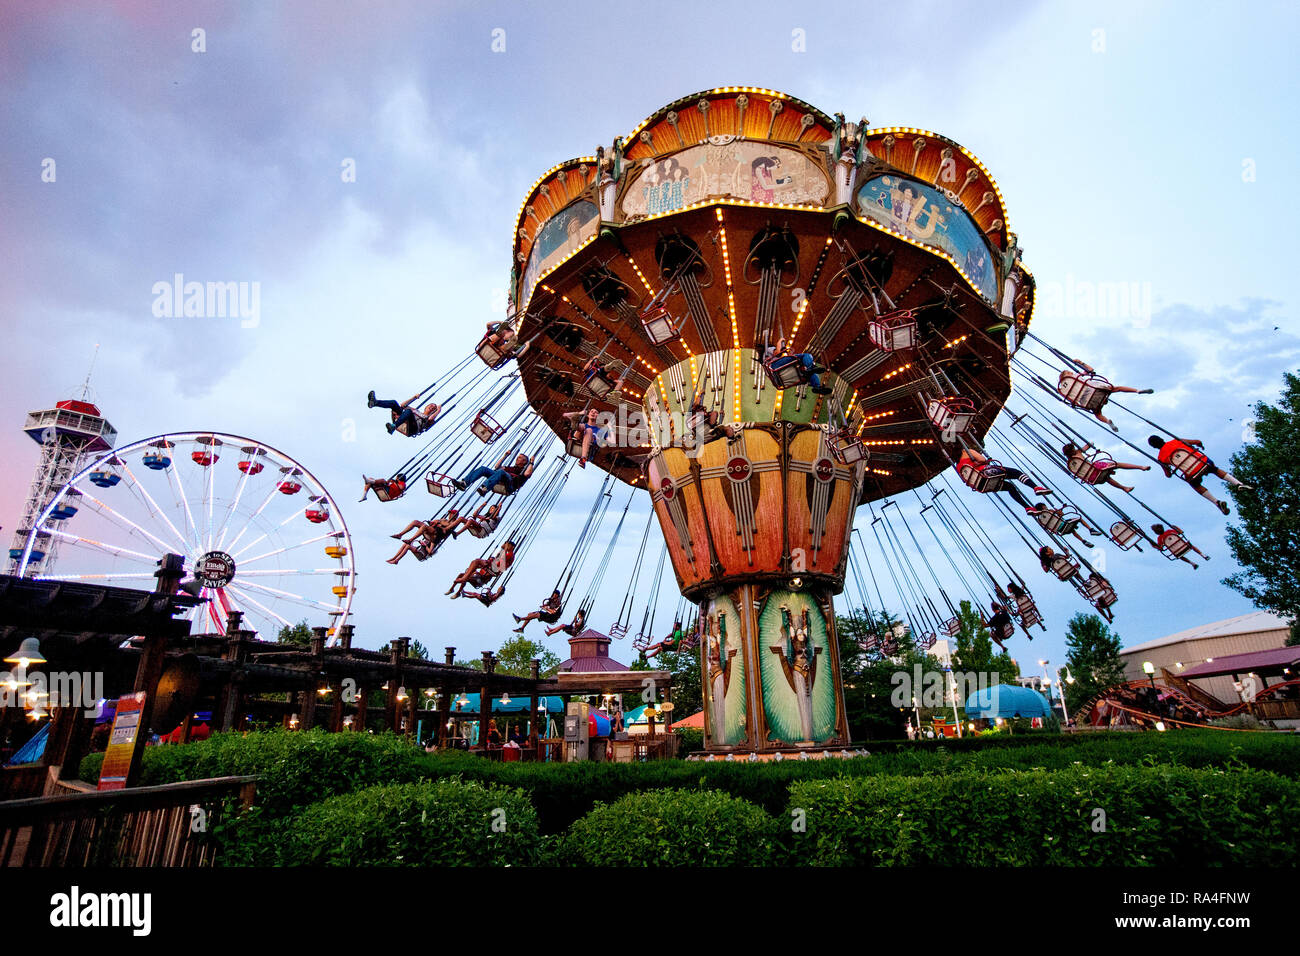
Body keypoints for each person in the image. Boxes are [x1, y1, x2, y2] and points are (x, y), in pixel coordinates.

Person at [1147, 435, 1251, 516]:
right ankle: (1238, 484)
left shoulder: (1161, 458)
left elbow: (1168, 475)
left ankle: (1216, 502)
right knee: (1215, 470)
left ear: (1154, 447)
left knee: (1195, 485)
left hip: (1191, 473)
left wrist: (1167, 466)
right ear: (1161, 438)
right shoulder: (1176, 441)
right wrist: (1200, 446)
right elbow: (1197, 441)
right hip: (1203, 462)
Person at [1057, 359, 1152, 430]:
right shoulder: (1074, 376)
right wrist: (1080, 362)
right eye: (1069, 372)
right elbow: (1091, 369)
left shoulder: (1062, 390)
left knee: (1097, 413)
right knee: (1117, 388)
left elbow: (1071, 401)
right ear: (1067, 375)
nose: (1072, 372)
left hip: (1088, 402)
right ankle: (1137, 391)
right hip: (1096, 391)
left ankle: (1107, 421)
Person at [957, 447, 1050, 511]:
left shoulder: (958, 467)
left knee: (1010, 487)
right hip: (986, 474)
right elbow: (982, 460)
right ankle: (1035, 487)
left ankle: (1027, 507)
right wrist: (979, 462)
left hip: (980, 486)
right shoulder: (967, 451)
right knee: (1016, 473)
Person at [1062, 441, 1149, 493]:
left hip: (1091, 478)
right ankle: (1140, 467)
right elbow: (1090, 443)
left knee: (1106, 478)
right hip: (1096, 470)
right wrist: (1078, 446)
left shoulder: (1069, 464)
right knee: (1115, 464)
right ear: (1073, 450)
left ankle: (1124, 488)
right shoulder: (1078, 453)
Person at [763, 336, 831, 395]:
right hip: (775, 367)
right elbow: (777, 353)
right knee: (806, 356)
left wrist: (785, 353)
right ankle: (811, 368)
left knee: (811, 373)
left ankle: (817, 387)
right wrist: (780, 341)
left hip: (779, 380)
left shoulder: (767, 359)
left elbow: (779, 355)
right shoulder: (769, 349)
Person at [447, 540, 516, 598]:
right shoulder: (507, 554)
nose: (507, 546)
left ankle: (460, 585)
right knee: (463, 574)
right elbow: (499, 558)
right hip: (490, 569)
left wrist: (505, 548)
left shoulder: (510, 555)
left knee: (476, 561)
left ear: (512, 547)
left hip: (490, 572)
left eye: (509, 545)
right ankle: (453, 589)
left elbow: (502, 560)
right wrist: (503, 547)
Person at [387, 509, 459, 564]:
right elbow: (434, 521)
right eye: (450, 513)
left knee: (424, 527)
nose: (450, 514)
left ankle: (411, 539)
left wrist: (440, 524)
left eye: (451, 513)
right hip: (431, 533)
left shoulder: (453, 523)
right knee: (415, 522)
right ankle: (400, 536)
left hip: (435, 537)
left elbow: (446, 528)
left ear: (454, 515)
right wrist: (434, 522)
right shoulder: (444, 519)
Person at [454, 452, 535, 496]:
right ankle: (464, 483)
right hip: (500, 478)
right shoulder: (510, 468)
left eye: (520, 458)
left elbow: (528, 474)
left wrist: (531, 462)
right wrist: (505, 456)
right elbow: (497, 467)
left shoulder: (524, 470)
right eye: (518, 457)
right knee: (483, 469)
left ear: (524, 461)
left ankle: (485, 488)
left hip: (510, 485)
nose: (517, 458)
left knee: (501, 472)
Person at [367, 391, 440, 436]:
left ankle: (393, 426)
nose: (431, 407)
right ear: (426, 406)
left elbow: (431, 418)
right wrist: (414, 397)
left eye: (433, 408)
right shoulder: (415, 411)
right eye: (431, 405)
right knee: (394, 403)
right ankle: (375, 403)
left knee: (408, 412)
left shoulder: (427, 419)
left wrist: (438, 410)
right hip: (405, 421)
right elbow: (403, 405)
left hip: (413, 428)